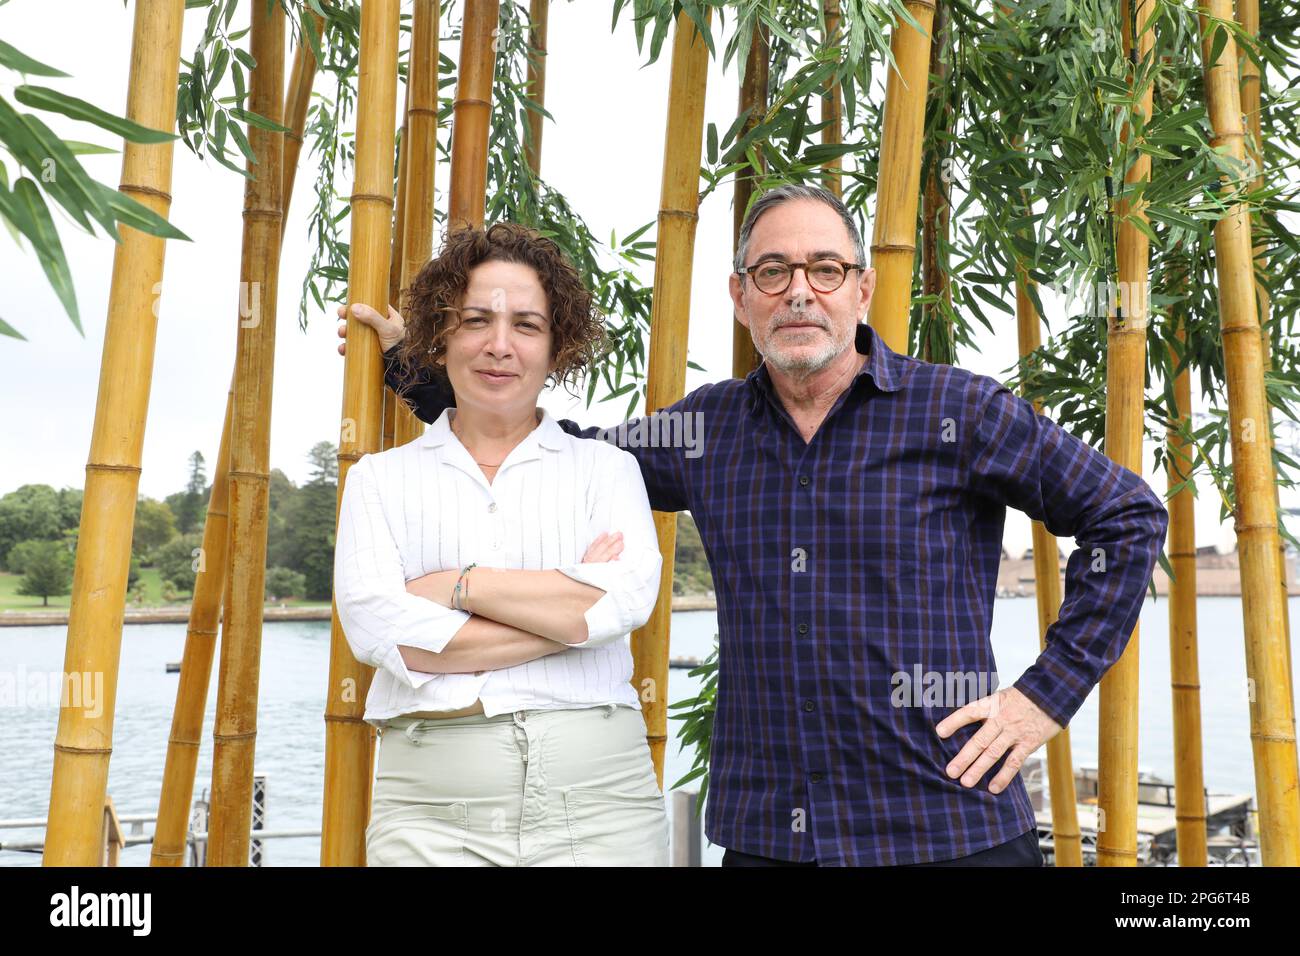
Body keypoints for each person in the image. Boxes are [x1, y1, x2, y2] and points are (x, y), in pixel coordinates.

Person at [341, 184, 1169, 867]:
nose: (799, 290)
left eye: (824, 269)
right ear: (740, 298)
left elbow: (1127, 517)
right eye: (772, 272)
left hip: (948, 827)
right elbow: (559, 450)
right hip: (775, 839)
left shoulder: (960, 410)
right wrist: (418, 366)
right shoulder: (706, 432)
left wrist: (1042, 700)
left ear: (860, 288)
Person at [333, 222, 669, 866]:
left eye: (527, 325)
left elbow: (623, 601)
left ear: (557, 345)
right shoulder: (379, 479)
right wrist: (570, 618)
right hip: (430, 815)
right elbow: (384, 634)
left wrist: (461, 586)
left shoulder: (607, 469)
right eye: (475, 320)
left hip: (602, 808)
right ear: (440, 333)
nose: (499, 345)